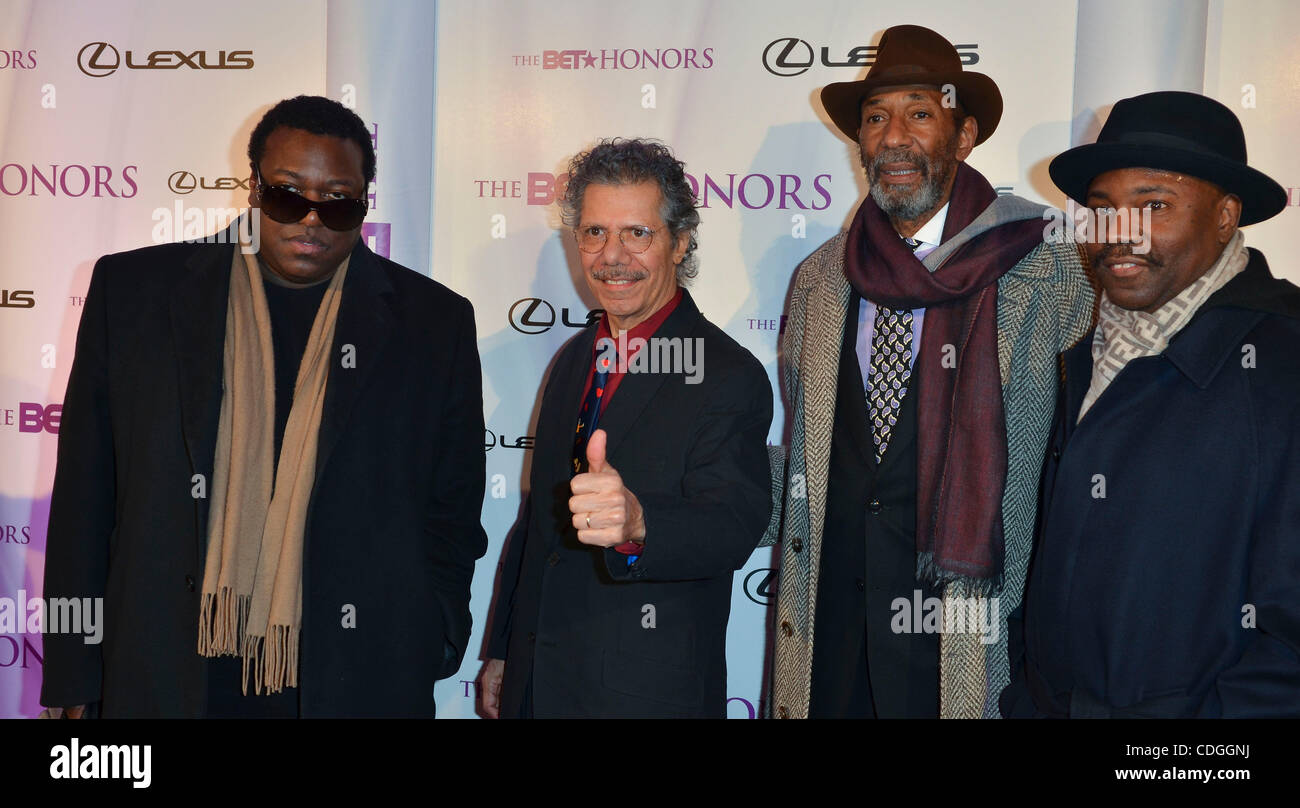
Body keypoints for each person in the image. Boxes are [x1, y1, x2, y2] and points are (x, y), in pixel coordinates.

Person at [40, 95, 487, 718]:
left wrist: (431, 638)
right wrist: (73, 673)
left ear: (363, 203)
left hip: (357, 671)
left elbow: (454, 506)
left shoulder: (432, 322)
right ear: (253, 189)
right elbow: (87, 500)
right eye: (286, 194)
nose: (310, 219)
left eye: (338, 201)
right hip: (168, 665)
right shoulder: (135, 294)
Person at [765, 25, 1095, 719]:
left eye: (920, 114)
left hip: (964, 633)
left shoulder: (1045, 262)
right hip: (833, 637)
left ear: (964, 134)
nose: (893, 138)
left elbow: (1084, 449)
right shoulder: (822, 278)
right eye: (876, 118)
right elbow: (807, 455)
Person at [1002, 91, 1300, 718]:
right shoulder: (1090, 349)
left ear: (1225, 216)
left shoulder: (1283, 360)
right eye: (1103, 209)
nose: (1120, 235)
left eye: (1153, 205)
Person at [479, 138, 772, 718]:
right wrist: (504, 652)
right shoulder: (573, 357)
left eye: (637, 234)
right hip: (540, 684)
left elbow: (733, 525)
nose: (611, 256)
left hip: (646, 697)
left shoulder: (726, 371)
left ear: (679, 242)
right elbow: (537, 524)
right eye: (594, 233)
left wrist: (639, 523)